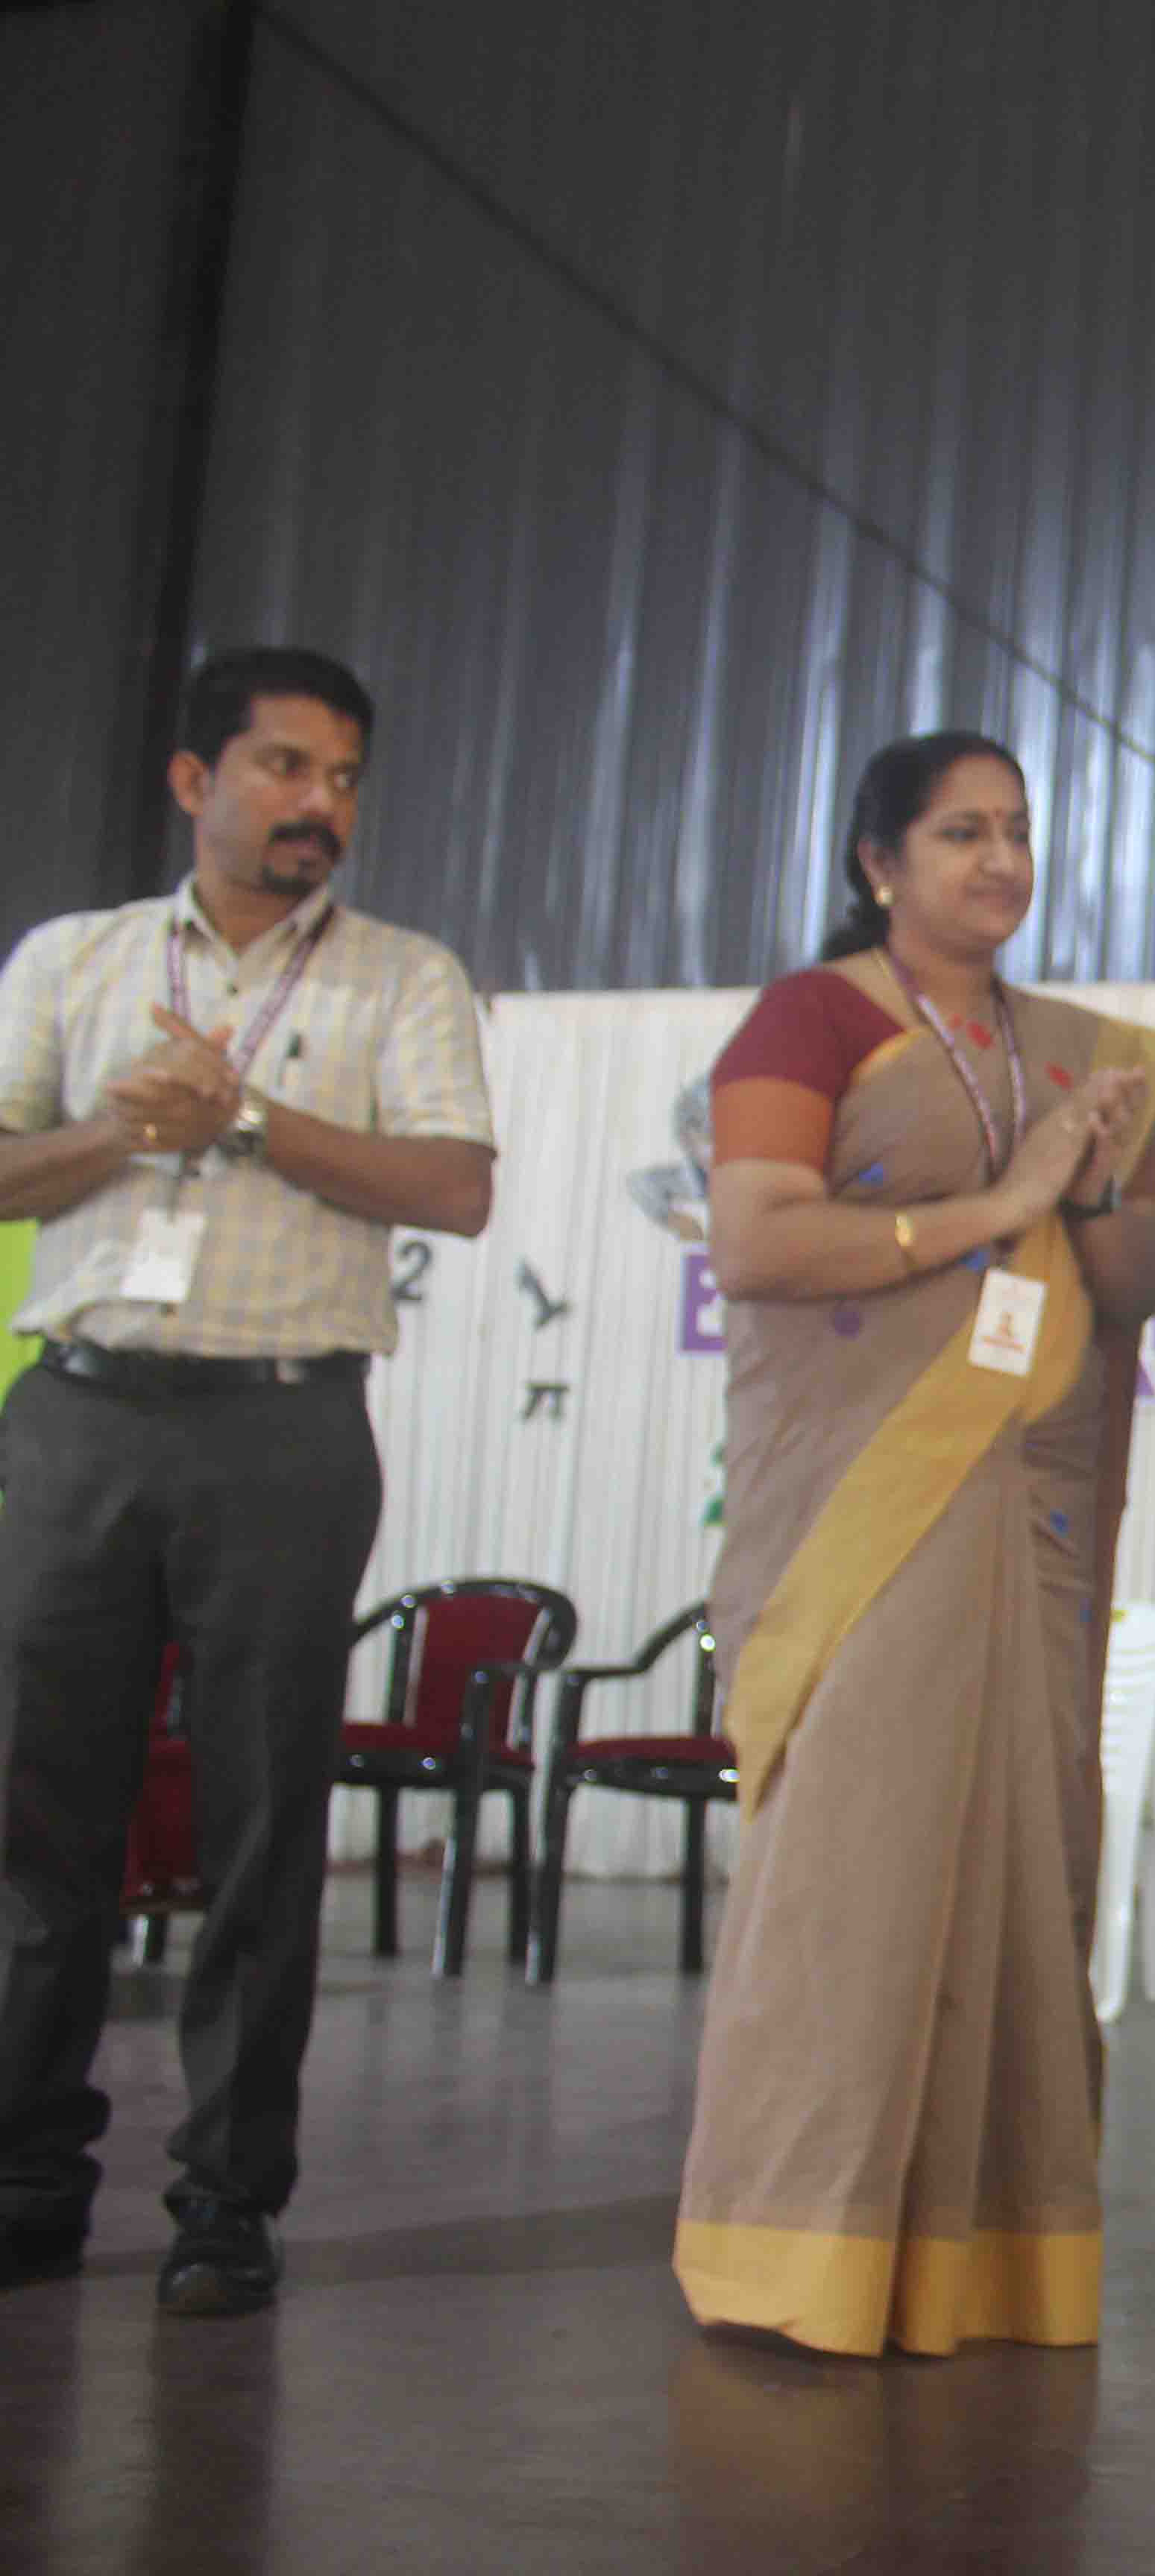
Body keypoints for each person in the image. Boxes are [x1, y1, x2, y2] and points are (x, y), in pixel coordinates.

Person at [0, 648, 495, 2317]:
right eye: (285, 768)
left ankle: (228, 2196)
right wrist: (130, 1137)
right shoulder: (72, 960)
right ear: (194, 781)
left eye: (344, 778)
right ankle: (24, 2173)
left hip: (285, 1431)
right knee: (35, 1813)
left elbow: (455, 1185)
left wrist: (248, 1120)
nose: (319, 808)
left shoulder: (404, 978)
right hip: (76, 1417)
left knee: (264, 1823)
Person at [673, 731, 1155, 2358]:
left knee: (1019, 1866)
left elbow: (1132, 1287)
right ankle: (793, 2251)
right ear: (880, 860)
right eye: (962, 831)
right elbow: (756, 1242)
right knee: (859, 1868)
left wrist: (1090, 1184)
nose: (1002, 860)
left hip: (1024, 1497)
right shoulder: (812, 1015)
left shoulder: (1076, 1049)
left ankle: (986, 2258)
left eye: (1020, 831)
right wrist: (993, 1201)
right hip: (868, 1497)